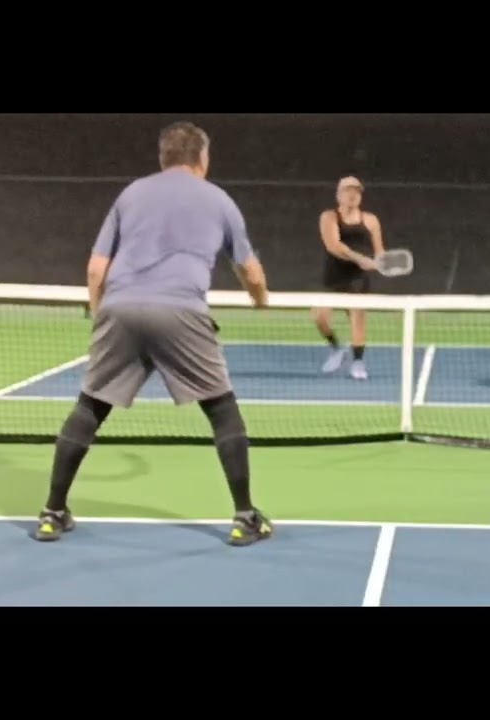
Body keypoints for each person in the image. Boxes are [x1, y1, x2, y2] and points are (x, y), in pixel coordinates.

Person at [34, 121, 274, 547]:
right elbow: (250, 271)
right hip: (180, 308)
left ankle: (52, 512)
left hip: (120, 307)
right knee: (221, 408)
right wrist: (260, 300)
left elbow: (95, 268)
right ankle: (245, 516)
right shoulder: (219, 199)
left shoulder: (130, 194)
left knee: (90, 406)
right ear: (203, 158)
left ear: (162, 158)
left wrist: (101, 313)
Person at [313, 176, 384, 381]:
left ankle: (358, 363)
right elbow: (334, 246)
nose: (352, 194)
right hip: (334, 277)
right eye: (347, 190)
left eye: (357, 191)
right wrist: (360, 258)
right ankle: (337, 348)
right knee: (319, 317)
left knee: (357, 320)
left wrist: (379, 262)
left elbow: (379, 251)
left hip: (358, 279)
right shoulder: (329, 217)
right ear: (339, 195)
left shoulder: (370, 220)